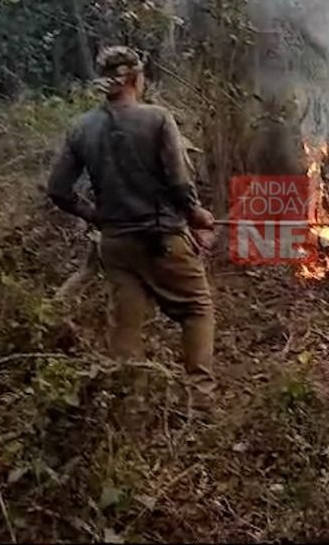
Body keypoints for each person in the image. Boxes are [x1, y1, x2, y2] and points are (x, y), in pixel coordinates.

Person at [47, 46, 217, 397]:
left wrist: (95, 215)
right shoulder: (157, 118)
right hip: (162, 239)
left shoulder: (81, 127)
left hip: (116, 245)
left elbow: (58, 190)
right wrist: (196, 214)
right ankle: (199, 395)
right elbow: (179, 180)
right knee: (197, 308)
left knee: (125, 324)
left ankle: (126, 399)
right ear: (136, 79)